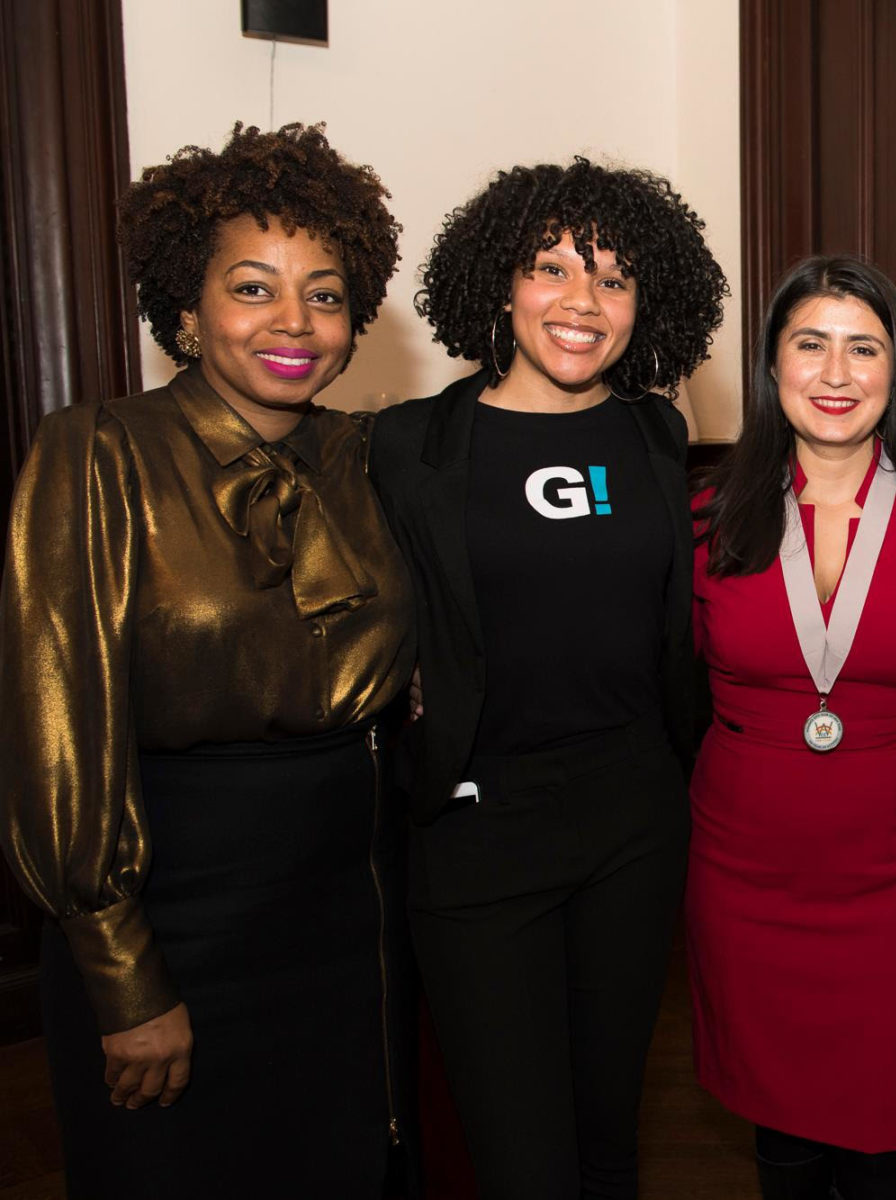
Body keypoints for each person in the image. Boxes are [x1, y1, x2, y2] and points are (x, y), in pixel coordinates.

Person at [0, 123, 412, 1198]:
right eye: (252, 288)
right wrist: (122, 973)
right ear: (185, 307)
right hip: (172, 915)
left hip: (346, 922)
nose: (294, 322)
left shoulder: (364, 460)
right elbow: (60, 735)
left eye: (325, 294)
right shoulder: (95, 453)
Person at [369, 158, 726, 1200]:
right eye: (551, 268)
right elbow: (353, 602)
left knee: (609, 1135)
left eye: (612, 279)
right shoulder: (409, 445)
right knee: (521, 1158)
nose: (581, 302)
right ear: (499, 282)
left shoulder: (656, 434)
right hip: (479, 832)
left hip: (635, 821)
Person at [688, 255, 896, 1200]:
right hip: (745, 884)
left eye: (863, 349)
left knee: (885, 1153)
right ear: (772, 366)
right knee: (782, 1154)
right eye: (811, 345)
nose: (836, 375)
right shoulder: (710, 515)